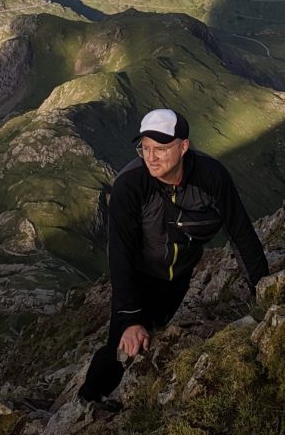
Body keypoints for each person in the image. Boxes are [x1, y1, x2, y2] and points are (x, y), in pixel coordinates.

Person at [78, 108, 268, 403]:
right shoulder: (130, 185)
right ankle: (90, 399)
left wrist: (264, 290)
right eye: (145, 148)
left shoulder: (211, 178)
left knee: (153, 335)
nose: (151, 157)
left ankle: (141, 399)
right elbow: (120, 253)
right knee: (121, 343)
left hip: (178, 279)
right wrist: (129, 317)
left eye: (161, 148)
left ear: (183, 147)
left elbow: (241, 234)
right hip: (139, 277)